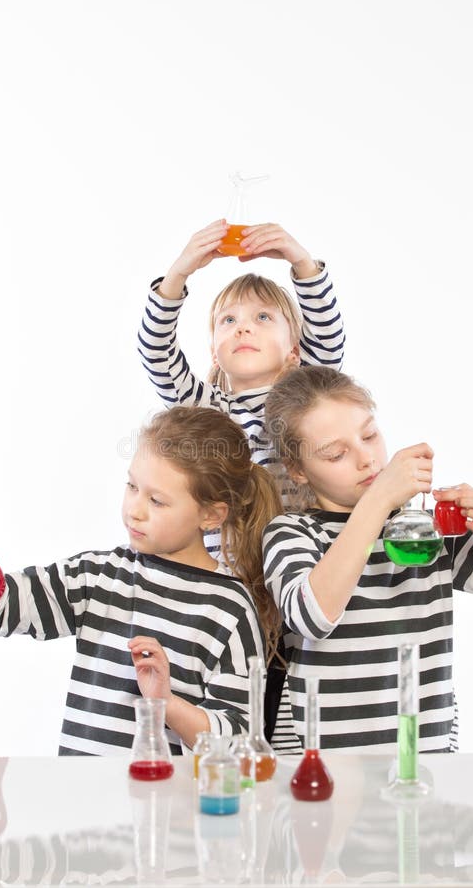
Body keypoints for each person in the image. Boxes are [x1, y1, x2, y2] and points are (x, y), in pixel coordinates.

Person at [0, 407, 281, 756]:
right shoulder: (96, 576)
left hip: (165, 793)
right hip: (82, 790)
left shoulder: (229, 608)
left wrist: (165, 702)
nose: (135, 509)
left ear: (211, 515)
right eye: (132, 486)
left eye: (157, 500)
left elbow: (239, 745)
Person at [137, 220, 345, 751]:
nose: (243, 329)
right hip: (228, 594)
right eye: (228, 321)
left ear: (294, 350)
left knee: (290, 714)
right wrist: (179, 273)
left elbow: (328, 342)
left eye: (262, 318)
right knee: (230, 714)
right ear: (214, 350)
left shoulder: (303, 405)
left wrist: (301, 261)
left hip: (297, 584)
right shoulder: (209, 410)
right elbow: (157, 354)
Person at [262, 365, 473, 753]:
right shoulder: (292, 532)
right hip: (321, 762)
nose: (366, 459)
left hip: (422, 757)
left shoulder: (423, 533)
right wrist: (379, 499)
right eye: (336, 454)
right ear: (297, 470)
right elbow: (313, 616)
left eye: (369, 435)